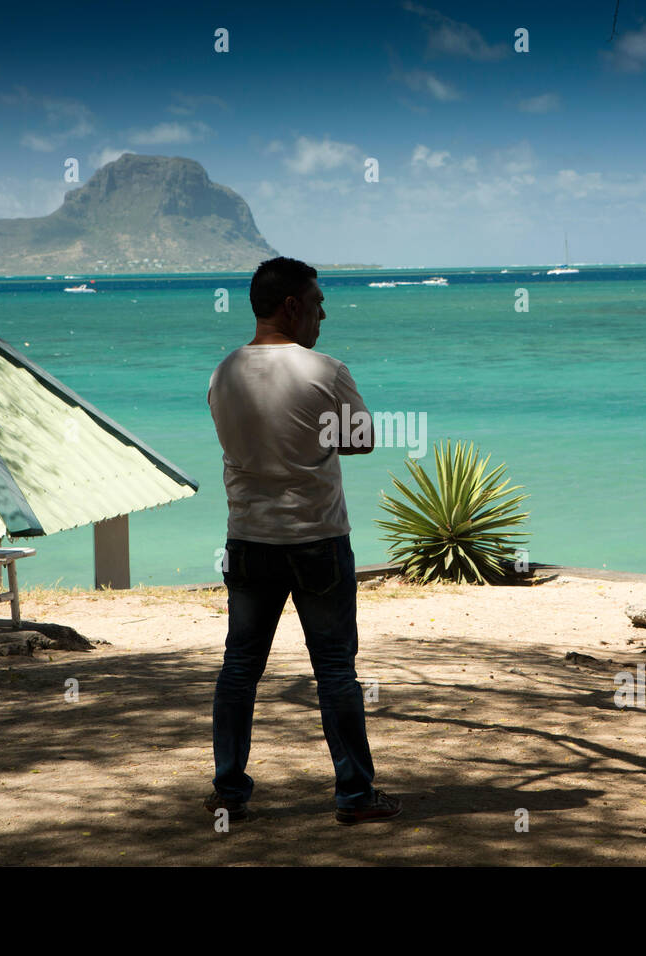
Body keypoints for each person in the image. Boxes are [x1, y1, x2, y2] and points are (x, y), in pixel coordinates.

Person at [204, 256, 401, 826]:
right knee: (335, 671)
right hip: (316, 539)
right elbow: (360, 441)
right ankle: (355, 796)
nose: (322, 315)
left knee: (239, 668)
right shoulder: (325, 370)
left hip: (247, 540)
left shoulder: (223, 373)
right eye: (317, 304)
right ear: (291, 305)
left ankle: (229, 793)